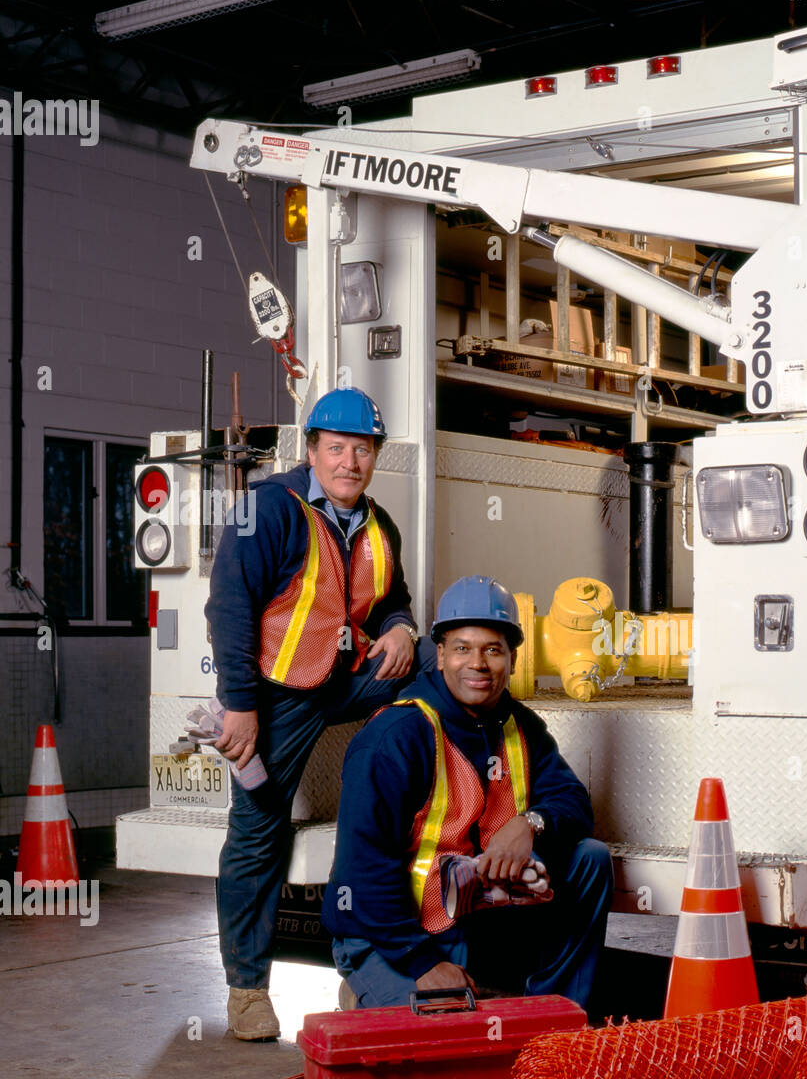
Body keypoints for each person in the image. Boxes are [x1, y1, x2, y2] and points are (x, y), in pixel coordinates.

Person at [208, 386, 420, 1038]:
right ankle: (246, 990)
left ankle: (372, 975)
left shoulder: (378, 525)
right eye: (337, 448)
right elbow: (231, 608)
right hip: (279, 694)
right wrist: (239, 707)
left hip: (350, 679)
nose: (350, 462)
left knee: (444, 666)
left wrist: (405, 629)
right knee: (259, 830)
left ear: (375, 455)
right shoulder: (270, 509)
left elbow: (392, 599)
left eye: (362, 450)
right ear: (312, 450)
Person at [321, 575, 611, 1011]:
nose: (477, 663)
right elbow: (360, 875)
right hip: (390, 937)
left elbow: (573, 803)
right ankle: (369, 991)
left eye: (492, 650)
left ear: (512, 660)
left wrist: (529, 823)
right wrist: (420, 963)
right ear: (439, 656)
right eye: (462, 648)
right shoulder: (396, 737)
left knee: (589, 858)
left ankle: (553, 1022)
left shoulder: (521, 727)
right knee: (449, 1042)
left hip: (473, 927)